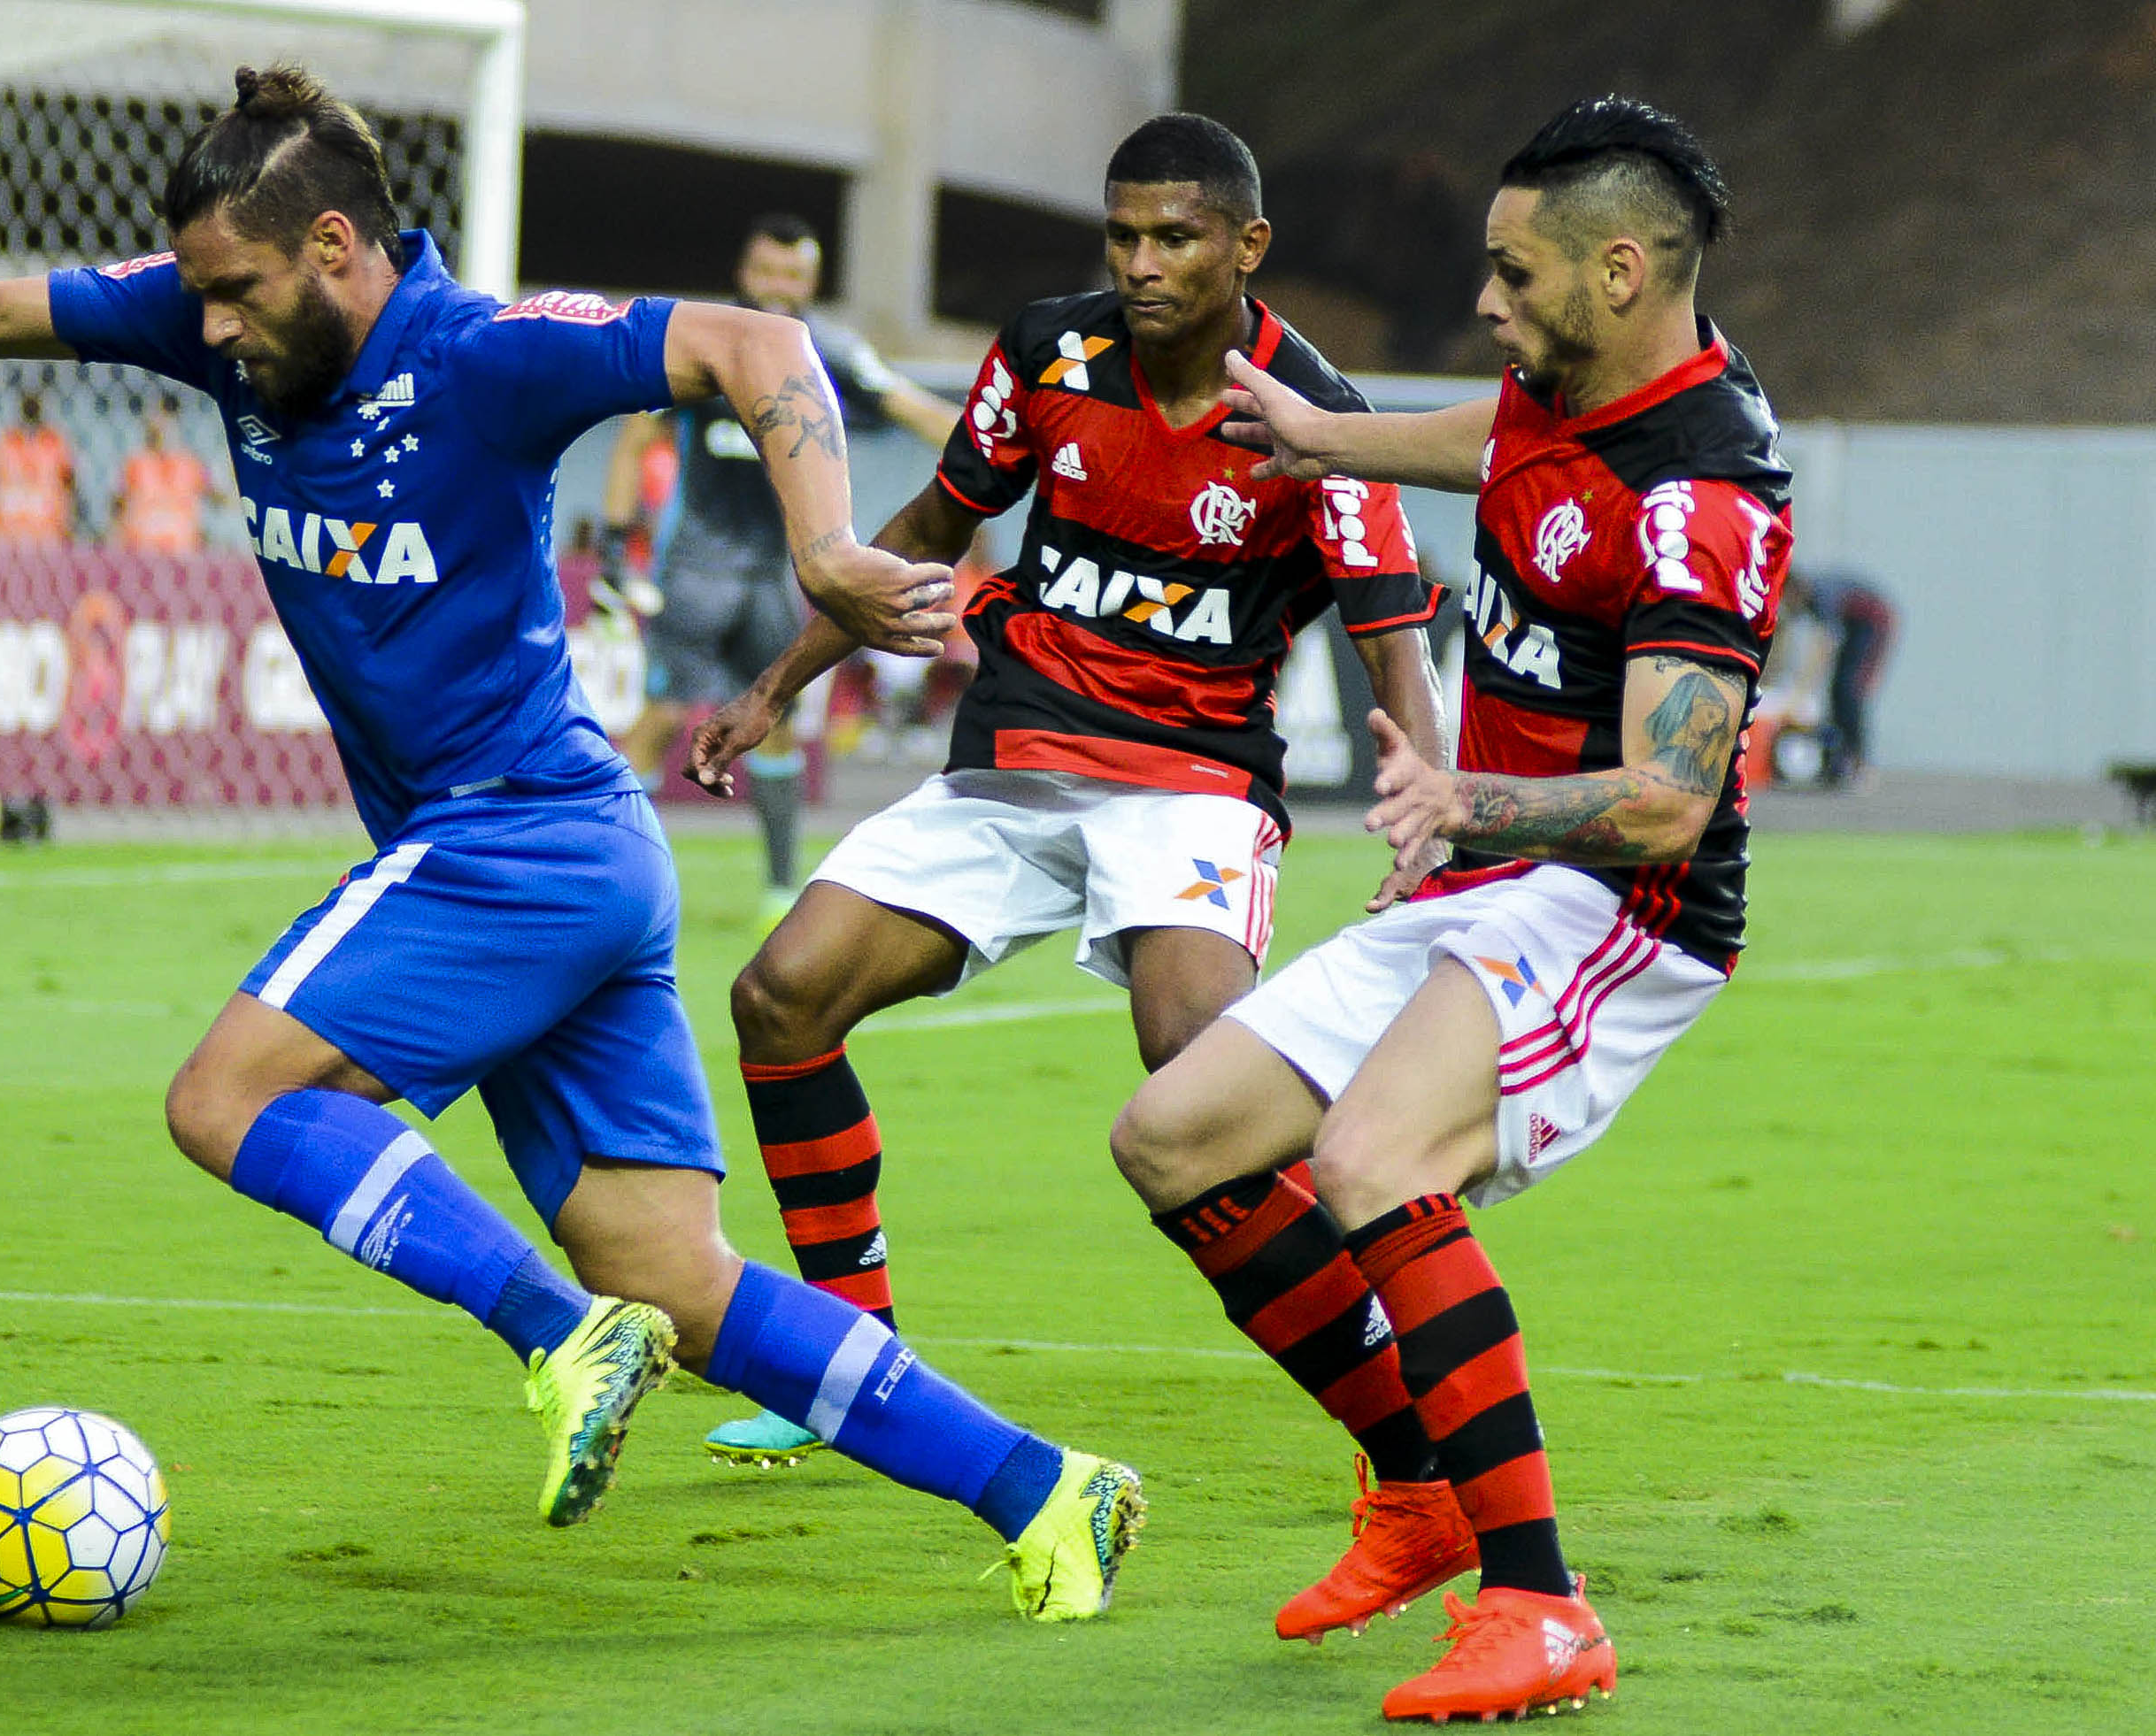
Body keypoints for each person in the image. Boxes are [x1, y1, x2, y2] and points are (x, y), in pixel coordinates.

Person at [0, 61, 1140, 1618]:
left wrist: (828, 542)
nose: (205, 326)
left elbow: (756, 342)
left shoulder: (485, 353)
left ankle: (553, 1335)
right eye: (197, 297)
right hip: (572, 863)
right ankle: (1048, 1491)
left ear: (338, 245)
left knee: (225, 1098)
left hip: (516, 840)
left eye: (235, 292)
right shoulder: (222, 326)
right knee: (678, 1280)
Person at [1106, 96, 1790, 1720]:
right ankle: (1414, 1480)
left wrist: (1456, 800)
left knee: (1370, 1161)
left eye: (1512, 273)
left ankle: (1542, 1604)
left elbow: (1669, 797)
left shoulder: (1706, 496)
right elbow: (1499, 441)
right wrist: (1325, 434)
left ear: (1620, 271)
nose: (1485, 303)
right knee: (1175, 1138)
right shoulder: (1585, 388)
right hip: (1496, 875)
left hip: (1622, 900)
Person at [687, 113, 1448, 1466]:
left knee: (1198, 1083)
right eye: (1125, 234)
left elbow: (1387, 626)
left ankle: (1399, 1354)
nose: (1144, 263)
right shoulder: (1051, 351)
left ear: (1247, 246)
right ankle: (850, 1364)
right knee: (780, 996)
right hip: (1017, 765)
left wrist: (1427, 789)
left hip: (1195, 786)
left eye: (1179, 237)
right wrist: (776, 687)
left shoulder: (1307, 409)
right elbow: (926, 532)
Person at [603, 214, 965, 917]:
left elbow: (914, 408)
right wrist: (618, 545)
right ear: (744, 272)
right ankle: (602, 867)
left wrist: (1010, 443)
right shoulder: (704, 343)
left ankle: (777, 887)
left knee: (777, 716)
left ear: (811, 282)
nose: (778, 287)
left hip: (780, 574)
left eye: (793, 275)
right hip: (697, 570)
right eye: (768, 271)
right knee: (662, 713)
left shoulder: (828, 352)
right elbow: (636, 434)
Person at [1778, 565, 1896, 785]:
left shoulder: (1821, 594)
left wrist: (1801, 692)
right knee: (1836, 691)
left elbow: (1824, 645)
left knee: (1850, 690)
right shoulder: (1806, 600)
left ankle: (1861, 764)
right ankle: (1841, 759)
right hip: (1853, 626)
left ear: (1794, 589)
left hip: (1873, 622)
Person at [112, 396, 224, 554]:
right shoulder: (135, 463)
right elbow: (117, 507)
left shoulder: (191, 463)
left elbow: (220, 499)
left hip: (183, 549)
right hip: (141, 548)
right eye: (156, 415)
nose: (160, 422)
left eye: (166, 416)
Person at [0, 388, 76, 545]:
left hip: (47, 531)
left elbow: (69, 484)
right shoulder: (6, 441)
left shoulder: (54, 441)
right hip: (8, 531)